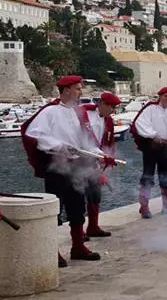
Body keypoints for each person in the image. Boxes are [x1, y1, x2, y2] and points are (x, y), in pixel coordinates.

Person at [22, 75, 106, 267]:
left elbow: (85, 141)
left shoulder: (78, 113)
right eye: (77, 88)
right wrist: (59, 146)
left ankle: (77, 247)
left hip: (76, 166)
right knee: (55, 211)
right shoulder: (50, 112)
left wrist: (98, 153)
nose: (80, 92)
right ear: (66, 89)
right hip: (57, 167)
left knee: (77, 208)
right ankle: (52, 252)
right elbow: (34, 134)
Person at [132, 86, 167, 218]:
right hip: (151, 147)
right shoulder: (150, 108)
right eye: (165, 96)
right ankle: (144, 207)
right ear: (160, 97)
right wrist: (154, 135)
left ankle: (166, 206)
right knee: (147, 176)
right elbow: (140, 123)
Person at [78, 92, 121, 239]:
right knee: (78, 197)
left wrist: (106, 160)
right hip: (79, 160)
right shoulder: (84, 114)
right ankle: (78, 232)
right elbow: (81, 140)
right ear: (102, 103)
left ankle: (93, 226)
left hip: (95, 161)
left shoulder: (108, 121)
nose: (113, 110)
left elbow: (108, 143)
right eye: (111, 107)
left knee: (95, 195)